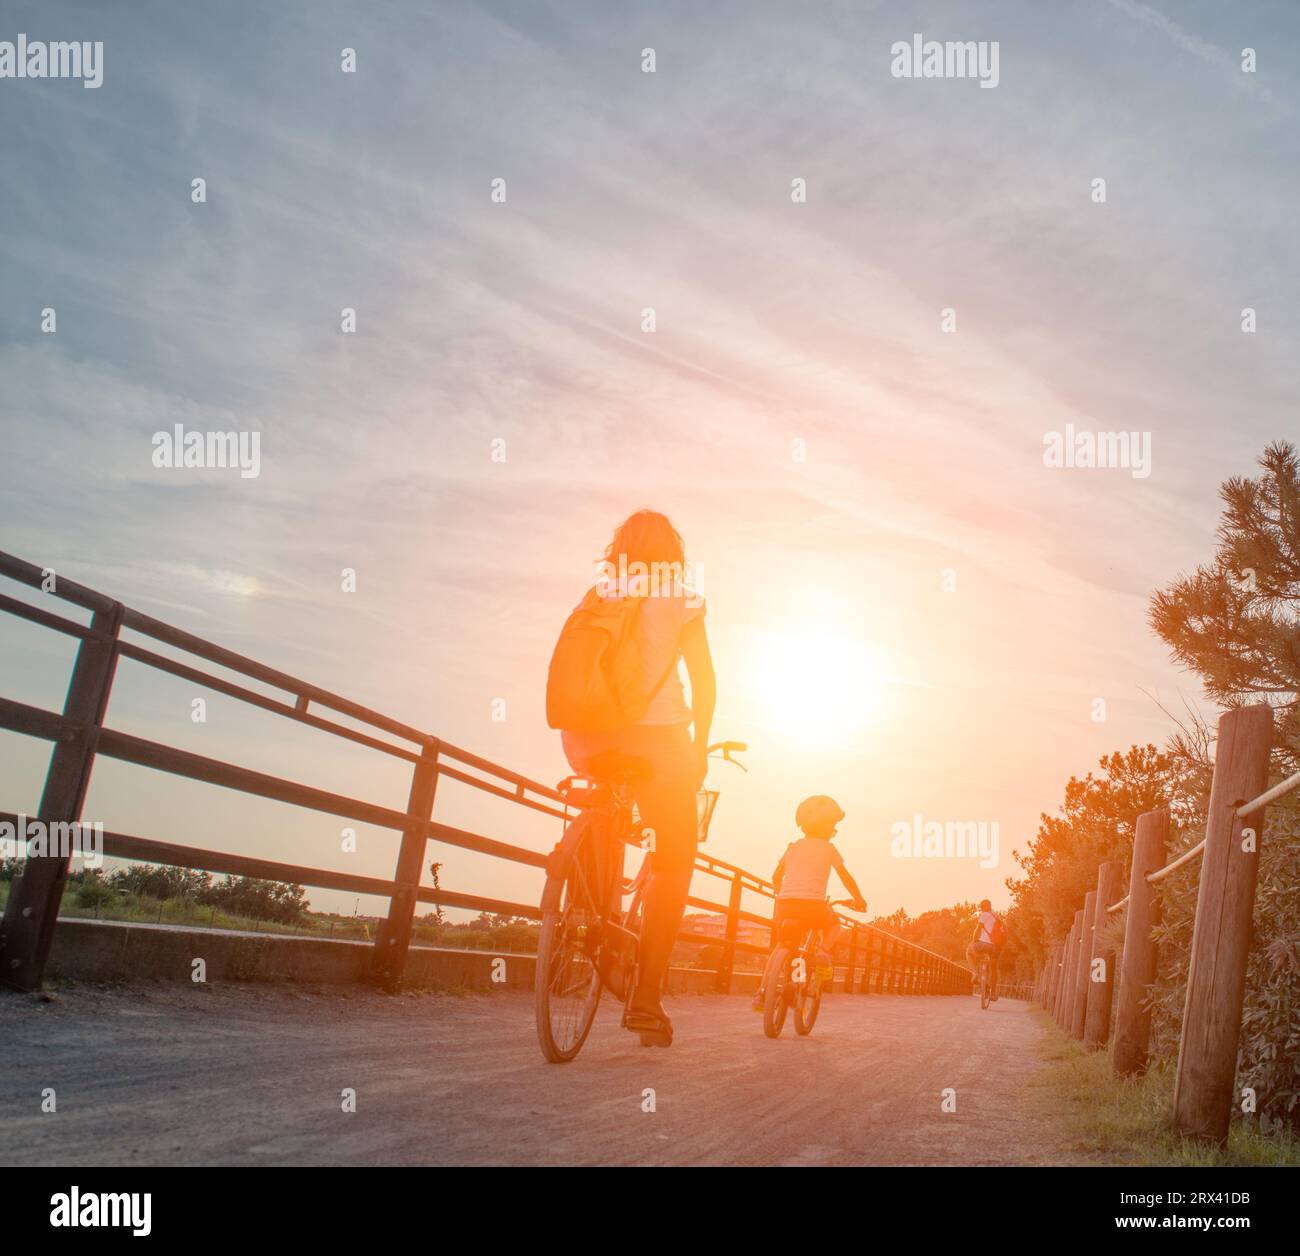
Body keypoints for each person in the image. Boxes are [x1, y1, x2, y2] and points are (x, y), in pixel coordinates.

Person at [559, 510, 714, 1047]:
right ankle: (645, 999)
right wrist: (698, 749)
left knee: (609, 805)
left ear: (618, 548)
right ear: (673, 551)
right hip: (659, 742)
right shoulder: (683, 596)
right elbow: (706, 681)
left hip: (589, 737)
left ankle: (592, 905)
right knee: (676, 858)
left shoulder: (601, 591)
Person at [752, 795, 866, 1011]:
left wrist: (781, 892)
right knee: (834, 925)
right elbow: (846, 877)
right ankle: (822, 950)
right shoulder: (828, 849)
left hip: (784, 905)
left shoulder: (792, 847)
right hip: (813, 907)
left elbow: (776, 876)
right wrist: (859, 899)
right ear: (829, 827)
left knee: (781, 946)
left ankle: (762, 992)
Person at [968, 899, 1003, 1000]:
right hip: (995, 948)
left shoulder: (985, 915)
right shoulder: (997, 916)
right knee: (994, 968)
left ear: (988, 906)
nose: (981, 909)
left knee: (969, 951)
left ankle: (975, 973)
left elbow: (977, 929)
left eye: (982, 906)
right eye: (981, 907)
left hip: (983, 945)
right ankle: (992, 993)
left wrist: (974, 941)